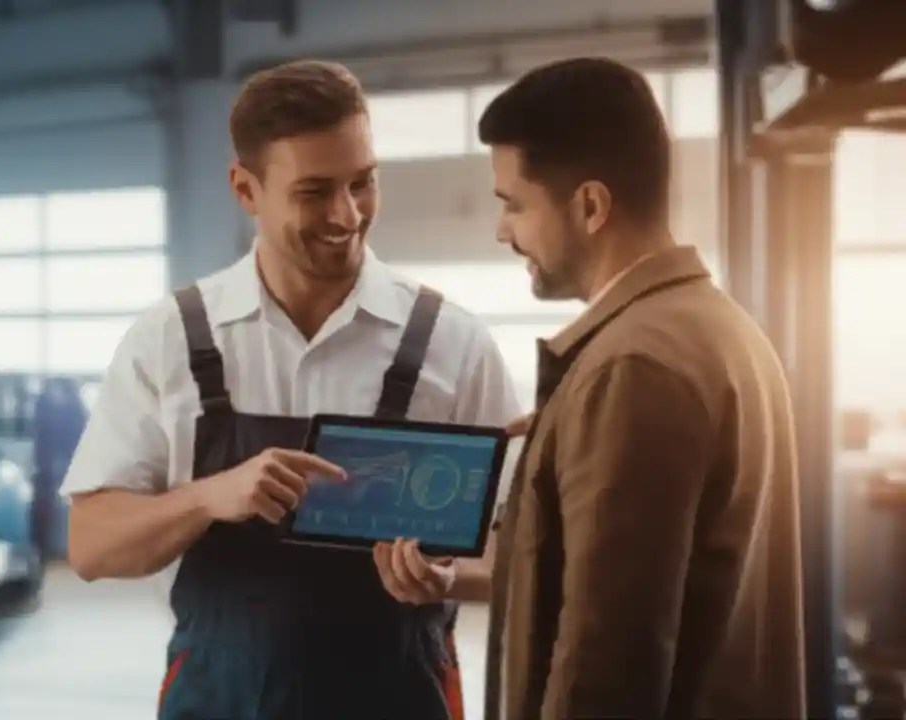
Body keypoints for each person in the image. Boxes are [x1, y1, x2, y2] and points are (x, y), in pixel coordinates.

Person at [59, 59, 522, 720]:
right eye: (314, 191)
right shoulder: (173, 339)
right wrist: (205, 498)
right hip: (219, 702)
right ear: (245, 189)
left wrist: (452, 578)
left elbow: (520, 552)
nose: (347, 213)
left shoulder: (451, 341)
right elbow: (91, 546)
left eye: (362, 183)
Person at [465, 57, 806, 719]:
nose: (502, 230)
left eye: (514, 204)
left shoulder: (632, 369)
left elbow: (606, 670)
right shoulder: (716, 328)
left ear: (590, 205)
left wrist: (600, 404)